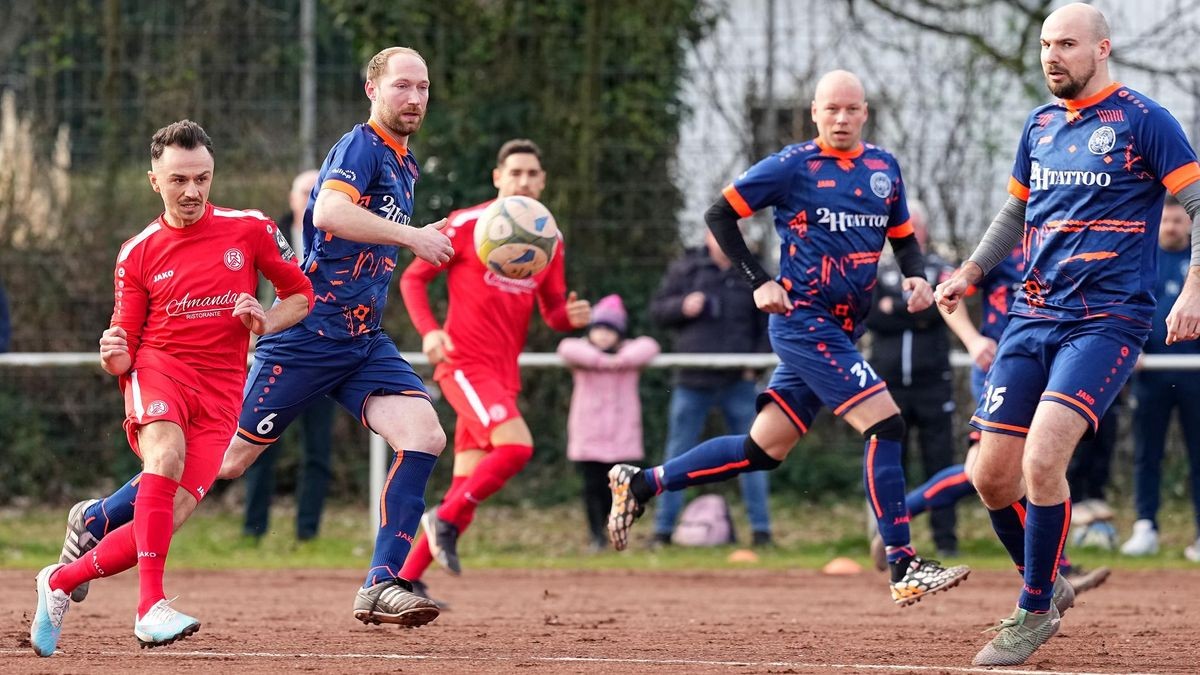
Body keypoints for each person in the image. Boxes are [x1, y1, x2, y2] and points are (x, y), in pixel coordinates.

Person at [54, 47, 455, 630]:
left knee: (424, 435)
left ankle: (380, 584)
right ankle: (97, 518)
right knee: (225, 460)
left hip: (362, 340)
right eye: (401, 86)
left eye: (422, 87)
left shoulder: (405, 162)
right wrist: (412, 236)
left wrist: (419, 237)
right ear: (372, 90)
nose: (414, 98)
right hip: (308, 336)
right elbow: (331, 216)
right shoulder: (361, 147)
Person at [606, 69, 970, 606]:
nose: (842, 118)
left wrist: (915, 273)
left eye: (851, 109)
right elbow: (719, 213)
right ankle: (903, 564)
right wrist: (760, 281)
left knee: (762, 448)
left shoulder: (883, 168)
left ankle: (640, 484)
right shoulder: (792, 165)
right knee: (887, 424)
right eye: (831, 110)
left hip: (844, 329)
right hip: (804, 323)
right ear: (815, 114)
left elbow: (902, 237)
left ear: (865, 112)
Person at [935, 4, 1200, 666]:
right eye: (1046, 44)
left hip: (1106, 320)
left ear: (1102, 49)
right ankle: (1047, 575)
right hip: (1031, 315)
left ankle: (1031, 609)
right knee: (990, 476)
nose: (1053, 55)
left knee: (1041, 460)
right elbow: (1016, 210)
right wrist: (971, 270)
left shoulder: (1145, 119)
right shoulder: (1041, 122)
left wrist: (1194, 289)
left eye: (1068, 44)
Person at [29, 119, 315, 656]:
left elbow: (300, 294)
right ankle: (150, 608)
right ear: (154, 181)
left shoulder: (250, 229)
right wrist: (114, 358)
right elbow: (124, 347)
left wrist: (266, 322)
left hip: (224, 388)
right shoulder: (136, 251)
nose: (192, 191)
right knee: (165, 458)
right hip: (160, 369)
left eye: (202, 178)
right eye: (179, 179)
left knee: (162, 520)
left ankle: (58, 583)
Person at [397, 139, 591, 601]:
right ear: (498, 176)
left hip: (502, 376)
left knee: (468, 482)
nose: (524, 181)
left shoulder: (549, 238)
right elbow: (412, 278)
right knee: (517, 447)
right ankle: (441, 519)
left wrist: (571, 319)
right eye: (516, 172)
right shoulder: (468, 224)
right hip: (464, 364)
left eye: (533, 174)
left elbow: (553, 312)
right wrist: (429, 331)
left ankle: (402, 580)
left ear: (543, 182)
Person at [648, 229, 774, 547]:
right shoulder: (686, 268)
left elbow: (768, 325)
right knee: (677, 454)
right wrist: (681, 307)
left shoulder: (754, 272)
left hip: (738, 382)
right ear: (707, 236)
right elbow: (657, 311)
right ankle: (662, 531)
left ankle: (762, 532)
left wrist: (755, 366)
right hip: (692, 380)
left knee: (756, 454)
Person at [241, 169, 338, 542]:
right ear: (292, 197)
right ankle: (253, 531)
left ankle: (307, 535)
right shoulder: (266, 237)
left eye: (318, 190)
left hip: (323, 357)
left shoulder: (343, 240)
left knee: (317, 452)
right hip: (275, 355)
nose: (310, 196)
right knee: (254, 448)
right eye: (304, 190)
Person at [866, 200, 959, 557]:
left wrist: (899, 309)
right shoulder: (880, 269)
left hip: (932, 382)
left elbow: (940, 311)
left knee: (941, 462)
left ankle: (946, 542)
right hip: (888, 385)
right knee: (891, 464)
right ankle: (892, 541)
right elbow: (873, 316)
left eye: (916, 227)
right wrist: (912, 312)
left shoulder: (940, 269)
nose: (911, 234)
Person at [1121, 195, 1200, 560]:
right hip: (1150, 375)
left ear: (1188, 223)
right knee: (1146, 453)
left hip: (1194, 376)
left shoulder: (1195, 264)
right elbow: (1124, 305)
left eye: (1177, 221)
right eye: (1166, 221)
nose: (1171, 227)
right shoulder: (1142, 260)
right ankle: (1146, 526)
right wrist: (1130, 346)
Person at [557, 294, 660, 550]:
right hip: (589, 436)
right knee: (593, 489)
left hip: (622, 437)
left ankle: (617, 533)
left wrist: (618, 361)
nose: (603, 335)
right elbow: (566, 347)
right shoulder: (582, 353)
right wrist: (604, 361)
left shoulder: (628, 353)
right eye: (599, 329)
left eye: (609, 330)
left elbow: (649, 346)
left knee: (621, 491)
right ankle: (596, 535)